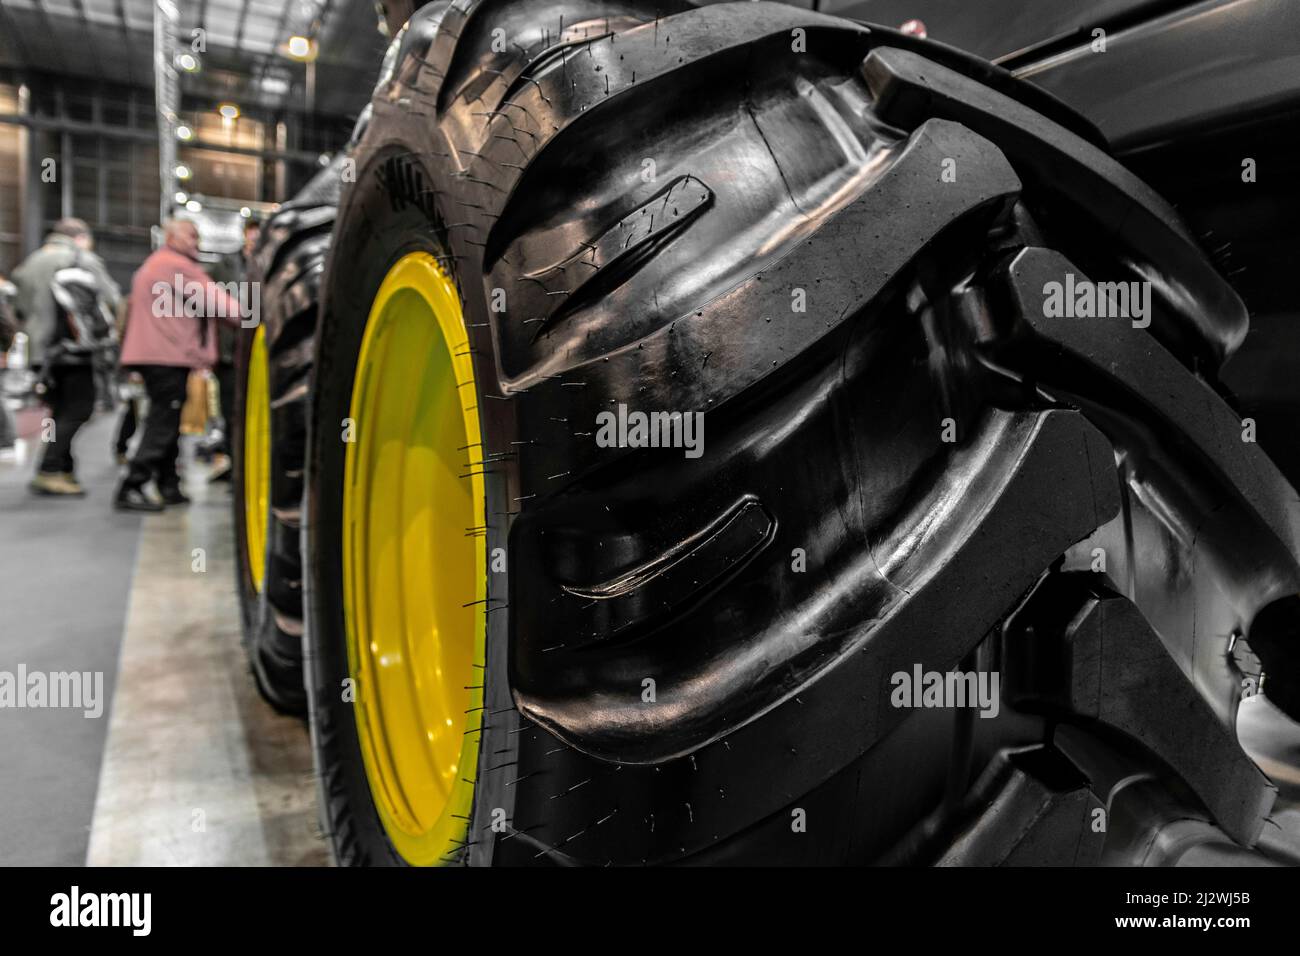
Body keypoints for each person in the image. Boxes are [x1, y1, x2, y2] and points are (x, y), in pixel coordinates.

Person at [115, 218, 243, 512]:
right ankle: (132, 484)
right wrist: (255, 317)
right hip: (165, 357)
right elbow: (218, 303)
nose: (196, 241)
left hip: (158, 355)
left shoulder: (157, 263)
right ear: (171, 237)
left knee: (168, 420)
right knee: (163, 421)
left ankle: (167, 484)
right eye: (191, 236)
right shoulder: (175, 266)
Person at [10, 218, 121, 495]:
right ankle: (49, 469)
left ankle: (63, 467)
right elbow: (112, 299)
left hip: (40, 352)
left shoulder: (31, 262)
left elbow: (19, 308)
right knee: (79, 409)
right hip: (73, 350)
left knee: (59, 410)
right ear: (81, 237)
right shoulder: (80, 258)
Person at [206, 217, 260, 483]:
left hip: (256, 350)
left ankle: (248, 463)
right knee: (229, 410)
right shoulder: (223, 267)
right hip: (228, 352)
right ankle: (234, 464)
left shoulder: (270, 264)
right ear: (245, 234)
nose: (255, 238)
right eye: (252, 233)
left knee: (252, 409)